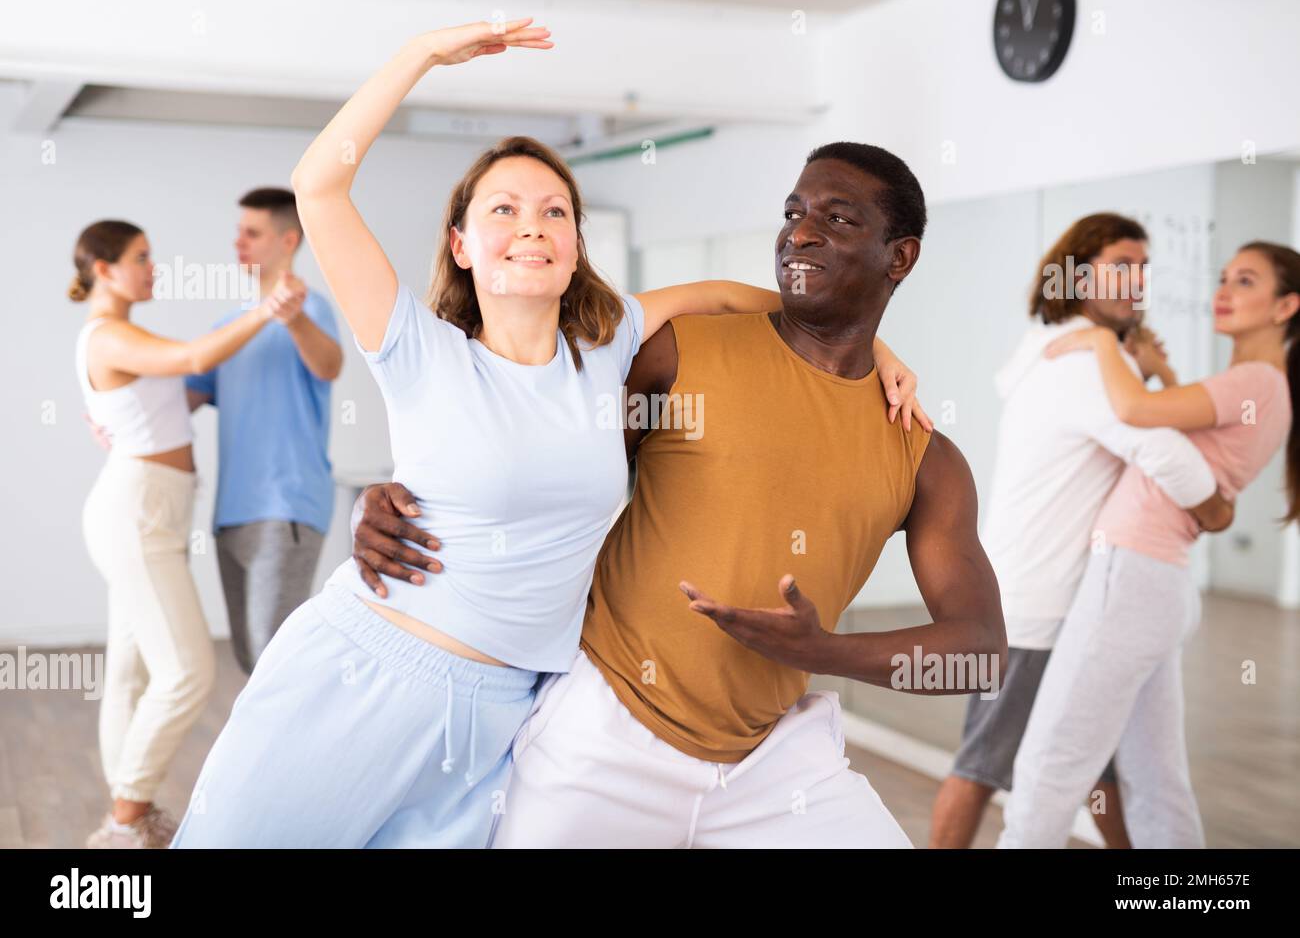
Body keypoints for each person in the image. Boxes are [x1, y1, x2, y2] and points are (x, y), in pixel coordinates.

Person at [169, 19, 924, 849]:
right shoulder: (417, 347)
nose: (531, 224)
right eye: (503, 209)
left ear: (572, 250)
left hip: (504, 715)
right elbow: (318, 187)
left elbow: (762, 301)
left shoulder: (608, 351)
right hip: (366, 673)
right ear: (460, 245)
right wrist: (422, 56)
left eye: (553, 210)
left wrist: (879, 348)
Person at [354, 138, 1009, 848]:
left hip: (770, 763)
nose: (802, 231)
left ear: (900, 257)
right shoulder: (679, 351)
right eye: (794, 212)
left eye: (839, 219)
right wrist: (388, 497)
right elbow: (520, 456)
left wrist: (823, 651)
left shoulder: (925, 458)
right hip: (602, 736)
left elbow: (978, 651)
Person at [929, 213, 1235, 849]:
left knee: (1105, 770)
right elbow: (1163, 453)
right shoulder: (1079, 363)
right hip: (1035, 608)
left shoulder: (1078, 356)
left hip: (1078, 606)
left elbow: (1134, 432)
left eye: (1144, 267)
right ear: (1075, 272)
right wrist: (1215, 510)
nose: (1137, 281)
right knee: (983, 766)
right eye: (1121, 264)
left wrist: (1146, 372)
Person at [998, 241, 1300, 848]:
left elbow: (1136, 412)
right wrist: (1162, 372)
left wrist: (1102, 342)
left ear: (1285, 305)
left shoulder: (1254, 381)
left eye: (1245, 281)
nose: (1223, 291)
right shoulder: (1263, 385)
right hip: (1155, 585)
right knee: (1156, 780)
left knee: (1048, 766)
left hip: (1131, 580)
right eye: (1222, 277)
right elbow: (1195, 439)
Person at [73, 219, 290, 847]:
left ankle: (126, 813)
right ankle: (126, 821)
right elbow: (196, 358)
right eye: (142, 258)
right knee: (188, 671)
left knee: (130, 671)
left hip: (149, 512)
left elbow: (175, 390)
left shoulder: (120, 334)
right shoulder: (110, 335)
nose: (153, 268)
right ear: (105, 269)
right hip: (136, 516)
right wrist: (267, 310)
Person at [186, 187, 342, 675]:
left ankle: (300, 753)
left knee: (273, 658)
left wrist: (291, 320)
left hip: (286, 505)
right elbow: (182, 399)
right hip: (231, 512)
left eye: (252, 233)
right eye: (238, 233)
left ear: (288, 240)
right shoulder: (231, 325)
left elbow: (329, 365)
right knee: (250, 658)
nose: (240, 243)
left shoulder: (312, 311)